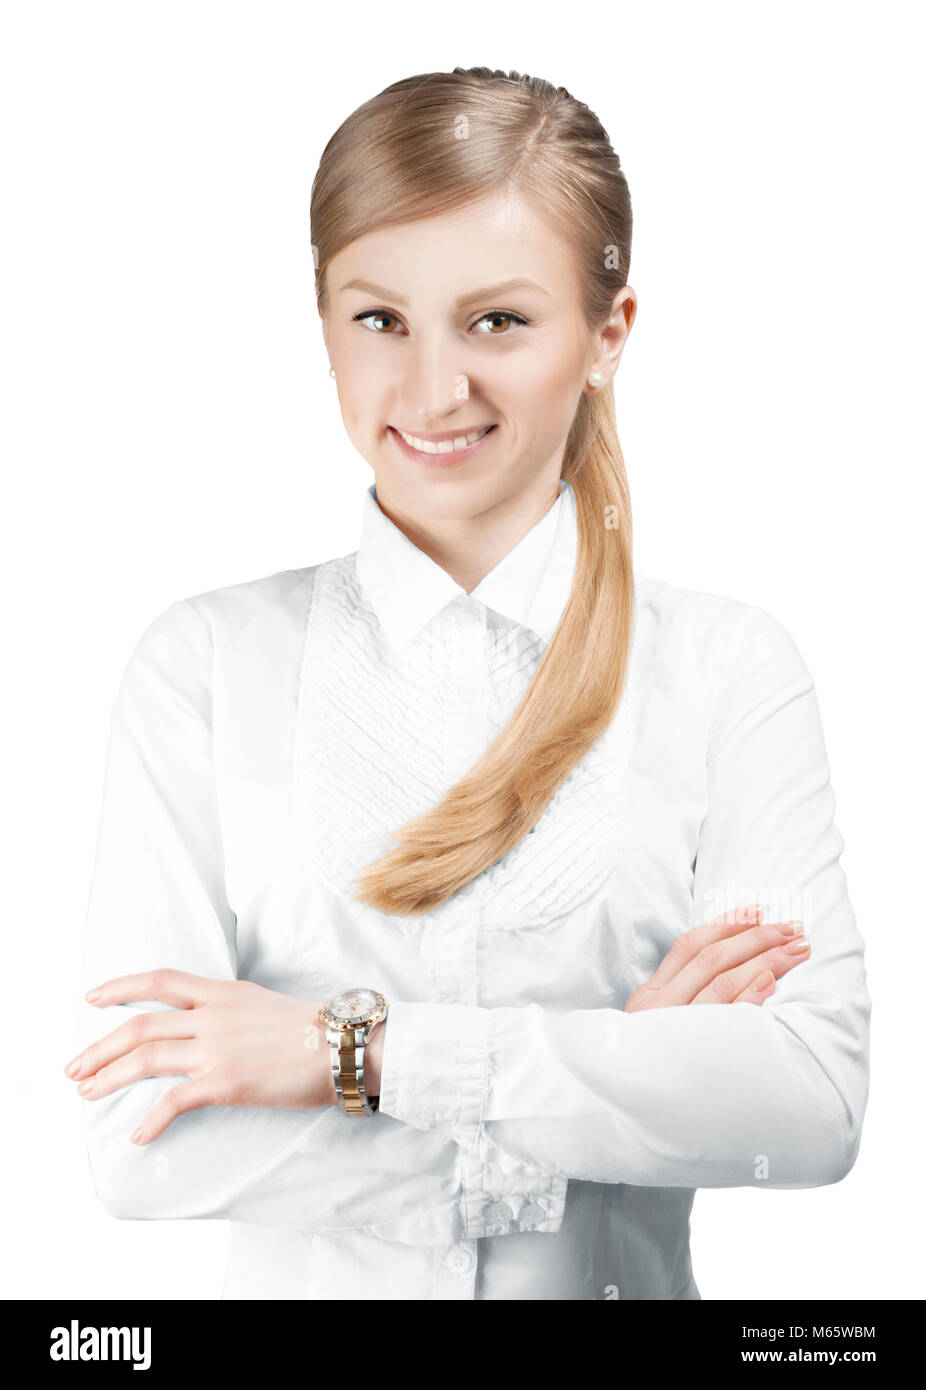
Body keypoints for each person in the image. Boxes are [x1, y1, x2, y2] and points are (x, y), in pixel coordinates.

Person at [66, 66, 870, 1301]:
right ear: (322, 319)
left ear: (608, 336)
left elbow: (807, 1108)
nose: (433, 390)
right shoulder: (206, 666)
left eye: (497, 321)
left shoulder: (722, 670)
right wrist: (613, 1088)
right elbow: (138, 1144)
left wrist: (354, 1054)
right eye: (379, 319)